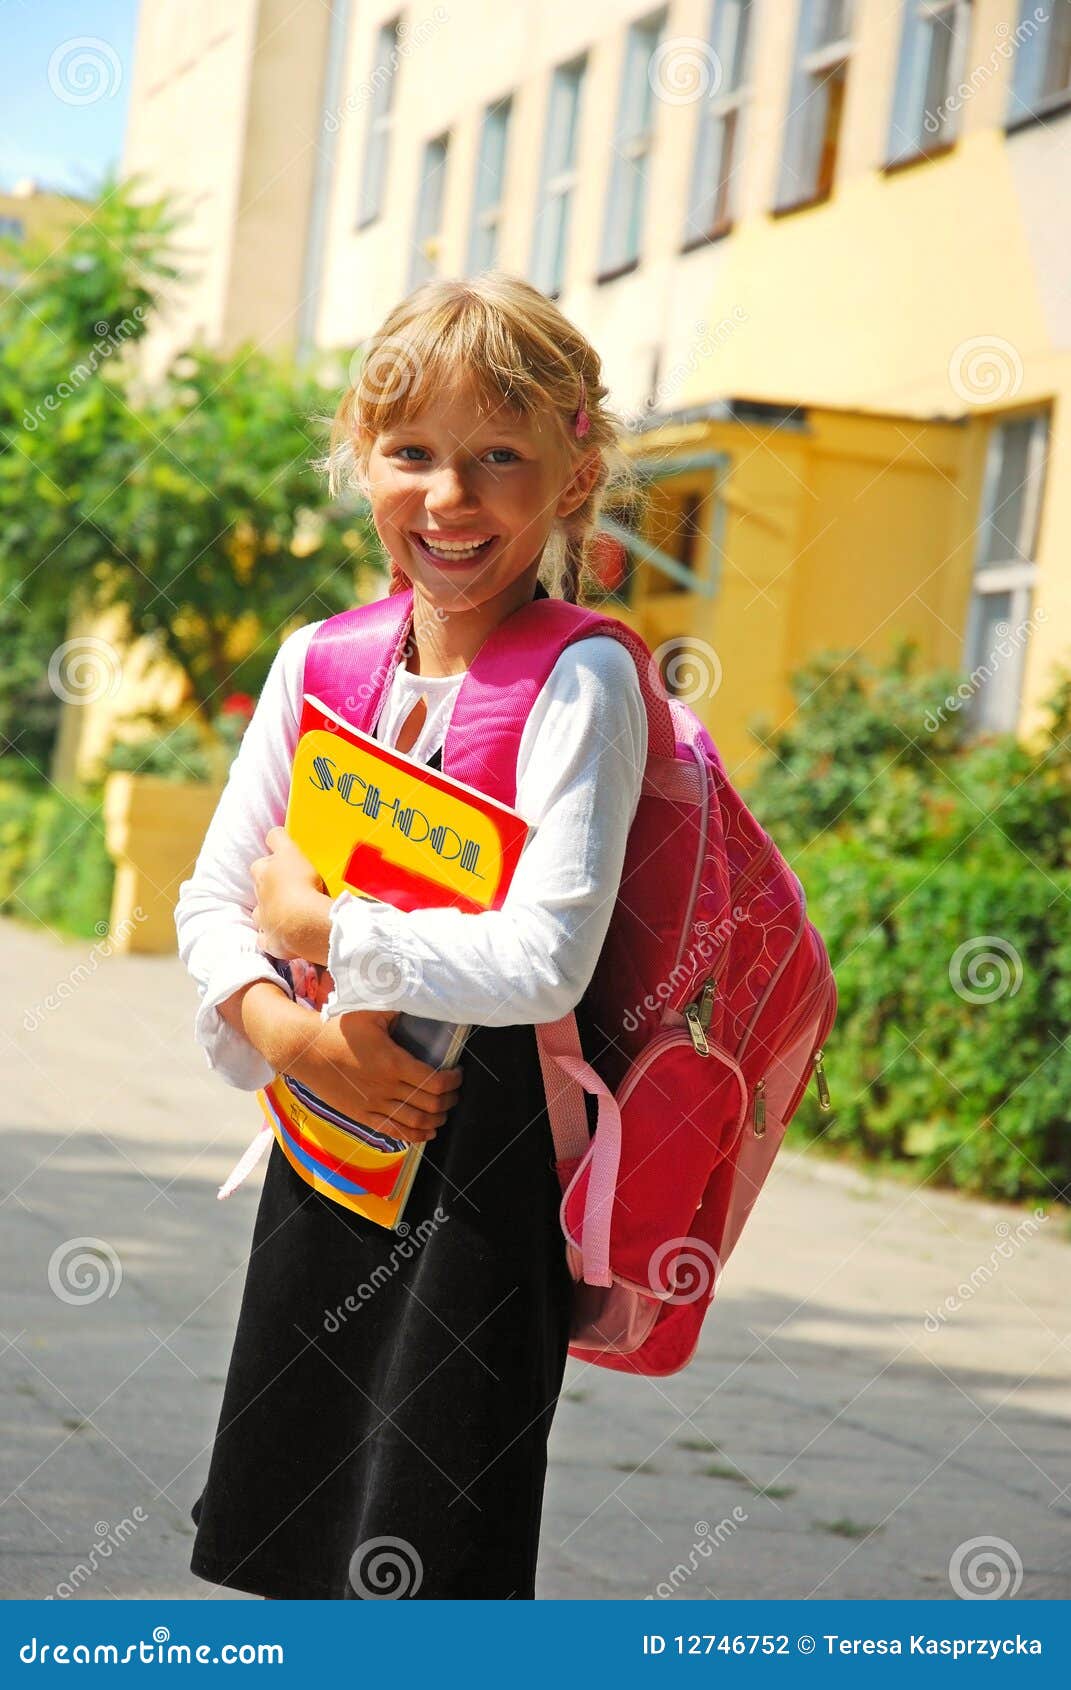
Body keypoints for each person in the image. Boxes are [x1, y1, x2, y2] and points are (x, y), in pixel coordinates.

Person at [173, 272, 649, 1600]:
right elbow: (211, 901)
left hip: (483, 1175)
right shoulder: (319, 661)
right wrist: (291, 1035)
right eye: (415, 453)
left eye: (501, 455)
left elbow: (548, 960)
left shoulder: (582, 677)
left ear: (574, 470)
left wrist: (332, 925)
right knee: (291, 1525)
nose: (452, 495)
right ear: (363, 461)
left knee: (438, 1547)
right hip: (327, 1142)